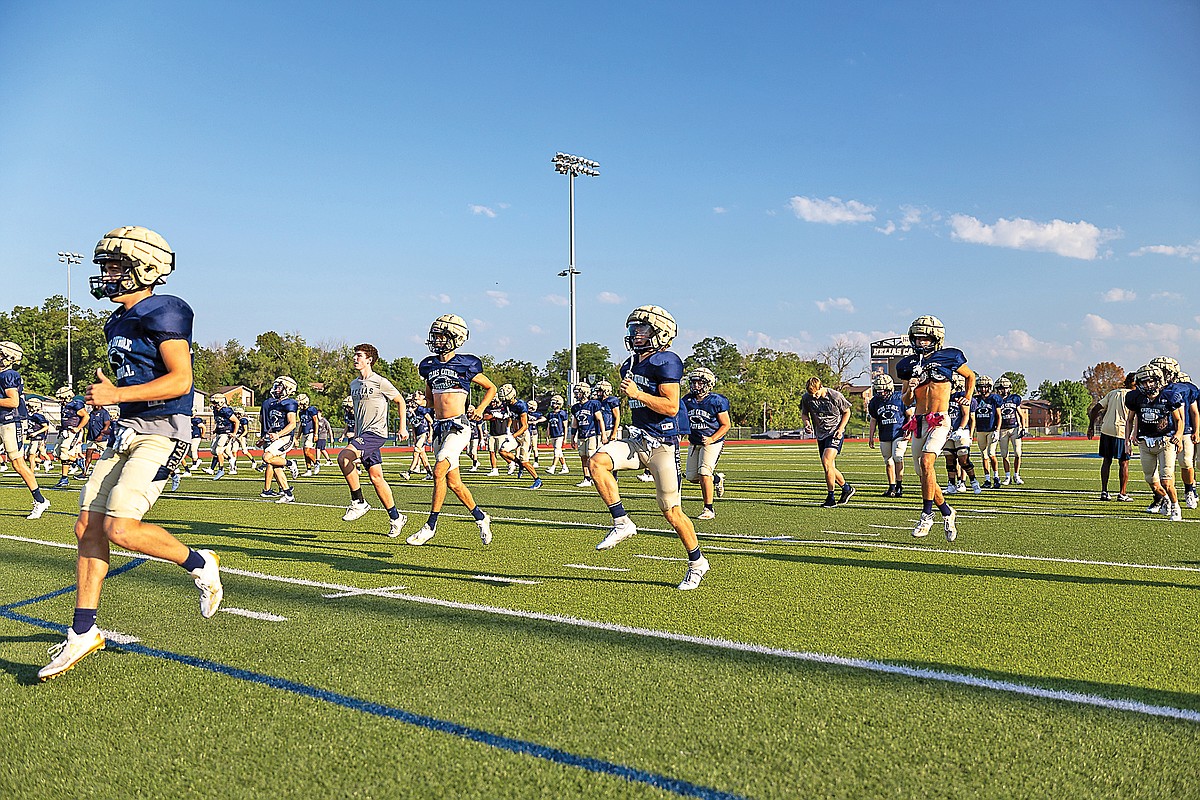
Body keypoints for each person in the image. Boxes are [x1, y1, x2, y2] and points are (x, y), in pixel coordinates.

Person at [38, 225, 222, 681]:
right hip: (128, 427)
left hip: (164, 429)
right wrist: (112, 396)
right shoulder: (115, 320)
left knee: (121, 528)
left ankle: (202, 564)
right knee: (87, 526)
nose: (106, 273)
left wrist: (116, 394)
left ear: (146, 267)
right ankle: (84, 631)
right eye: (106, 265)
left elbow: (181, 380)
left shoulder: (165, 308)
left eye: (115, 265)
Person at [588, 306, 709, 590]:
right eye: (633, 329)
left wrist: (638, 394)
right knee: (597, 462)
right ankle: (622, 522)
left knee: (672, 512)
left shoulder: (667, 361)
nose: (635, 334)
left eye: (642, 329)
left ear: (660, 332)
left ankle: (697, 562)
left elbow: (671, 407)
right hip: (638, 439)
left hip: (663, 446)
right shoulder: (629, 364)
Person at [406, 314, 495, 546]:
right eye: (435, 335)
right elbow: (430, 400)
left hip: (459, 425)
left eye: (441, 336)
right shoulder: (428, 365)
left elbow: (490, 388)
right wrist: (416, 401)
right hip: (439, 428)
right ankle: (481, 517)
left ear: (455, 337)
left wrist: (481, 408)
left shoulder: (466, 364)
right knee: (453, 482)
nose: (436, 340)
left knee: (438, 470)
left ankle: (430, 525)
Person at [896, 315, 975, 541]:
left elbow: (970, 376)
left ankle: (926, 515)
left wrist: (968, 397)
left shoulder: (950, 356)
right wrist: (911, 388)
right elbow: (906, 401)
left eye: (926, 337)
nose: (921, 342)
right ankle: (947, 512)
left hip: (940, 419)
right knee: (924, 475)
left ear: (936, 338)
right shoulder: (908, 364)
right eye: (918, 338)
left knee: (927, 462)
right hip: (919, 421)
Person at [338, 344, 409, 537]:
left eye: (359, 356)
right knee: (376, 478)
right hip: (362, 435)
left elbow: (400, 401)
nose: (355, 358)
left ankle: (358, 501)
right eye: (354, 355)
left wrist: (402, 427)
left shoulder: (380, 382)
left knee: (344, 457)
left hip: (375, 433)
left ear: (369, 359)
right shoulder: (354, 384)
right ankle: (396, 517)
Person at [1125, 363, 1184, 521]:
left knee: (1166, 480)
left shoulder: (1168, 396)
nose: (1148, 385)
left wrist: (1178, 435)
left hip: (1165, 441)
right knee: (1151, 480)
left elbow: (1179, 420)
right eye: (1144, 382)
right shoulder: (1135, 397)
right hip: (1145, 442)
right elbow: (1130, 419)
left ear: (1158, 380)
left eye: (1151, 381)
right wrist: (1127, 441)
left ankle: (1175, 506)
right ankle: (1164, 499)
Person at [0, 341, 51, 519]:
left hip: (10, 421)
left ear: (8, 357)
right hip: (3, 420)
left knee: (18, 464)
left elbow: (12, 402)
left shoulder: (8, 374)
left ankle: (40, 500)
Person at [682, 367, 731, 519]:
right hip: (695, 442)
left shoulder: (716, 401)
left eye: (699, 383)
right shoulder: (687, 400)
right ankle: (716, 479)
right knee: (692, 477)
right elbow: (684, 421)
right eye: (693, 382)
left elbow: (726, 425)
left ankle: (708, 509)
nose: (695, 386)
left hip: (712, 441)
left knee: (704, 473)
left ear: (708, 384)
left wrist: (712, 438)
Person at [1152, 357, 1200, 510]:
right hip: (1164, 433)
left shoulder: (1185, 388)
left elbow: (1194, 412)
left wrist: (1196, 430)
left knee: (1186, 462)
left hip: (1184, 430)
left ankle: (1189, 491)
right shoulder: (1153, 389)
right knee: (1166, 469)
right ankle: (1165, 499)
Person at [800, 376, 854, 508]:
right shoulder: (807, 398)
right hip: (821, 434)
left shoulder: (835, 396)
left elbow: (847, 412)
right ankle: (846, 488)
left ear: (821, 387)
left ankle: (831, 497)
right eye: (812, 395)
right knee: (829, 467)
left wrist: (841, 429)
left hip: (835, 433)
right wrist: (807, 424)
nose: (815, 397)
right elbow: (804, 413)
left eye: (816, 394)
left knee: (826, 461)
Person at [1088, 372, 1135, 501]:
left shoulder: (1113, 393)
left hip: (1106, 429)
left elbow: (1095, 409)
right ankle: (1122, 494)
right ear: (1134, 383)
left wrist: (1091, 426)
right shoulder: (1134, 395)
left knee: (1107, 460)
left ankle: (1104, 491)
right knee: (1124, 462)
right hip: (1121, 431)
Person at [867, 372, 912, 497]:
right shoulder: (875, 401)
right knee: (888, 461)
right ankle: (891, 487)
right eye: (878, 391)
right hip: (884, 434)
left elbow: (909, 416)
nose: (880, 393)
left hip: (899, 432)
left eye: (883, 391)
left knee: (898, 456)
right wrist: (871, 437)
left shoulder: (900, 398)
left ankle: (899, 486)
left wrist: (908, 430)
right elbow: (873, 419)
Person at [259, 376, 300, 502]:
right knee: (276, 466)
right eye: (276, 386)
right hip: (274, 437)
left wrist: (278, 435)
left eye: (279, 386)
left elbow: (292, 424)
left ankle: (291, 463)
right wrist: (264, 438)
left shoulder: (290, 403)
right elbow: (271, 423)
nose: (276, 389)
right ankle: (288, 494)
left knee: (267, 457)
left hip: (285, 437)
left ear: (287, 388)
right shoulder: (272, 403)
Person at [494, 383, 542, 488]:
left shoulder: (521, 405)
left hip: (523, 435)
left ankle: (537, 479)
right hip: (514, 434)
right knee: (502, 451)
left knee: (525, 461)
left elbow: (524, 426)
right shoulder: (508, 405)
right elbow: (510, 417)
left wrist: (513, 436)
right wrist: (508, 429)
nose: (505, 401)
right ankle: (518, 463)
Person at [942, 373, 981, 494]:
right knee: (949, 459)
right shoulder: (944, 396)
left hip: (961, 431)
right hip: (947, 431)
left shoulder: (962, 396)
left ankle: (974, 482)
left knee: (963, 459)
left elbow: (966, 415)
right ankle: (951, 484)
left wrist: (960, 428)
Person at [52, 385, 89, 488]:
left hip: (72, 432)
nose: (60, 400)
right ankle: (68, 473)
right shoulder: (64, 406)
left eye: (61, 397)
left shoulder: (75, 404)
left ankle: (68, 473)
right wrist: (61, 426)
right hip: (64, 431)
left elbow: (86, 416)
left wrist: (78, 428)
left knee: (64, 452)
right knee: (57, 453)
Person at [569, 382, 605, 487]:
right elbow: (574, 424)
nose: (576, 394)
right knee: (583, 457)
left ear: (584, 392)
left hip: (592, 434)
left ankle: (595, 477)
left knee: (591, 456)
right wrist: (572, 438)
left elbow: (600, 419)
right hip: (581, 435)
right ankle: (587, 478)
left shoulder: (593, 404)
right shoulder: (575, 407)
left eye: (578, 392)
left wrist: (603, 434)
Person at [994, 376, 1027, 485]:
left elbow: (1021, 414)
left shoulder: (1014, 398)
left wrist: (1023, 427)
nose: (1004, 390)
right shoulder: (995, 399)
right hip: (1002, 430)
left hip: (1014, 428)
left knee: (1018, 453)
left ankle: (1016, 475)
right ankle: (1007, 476)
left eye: (1006, 388)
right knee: (1004, 454)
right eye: (1002, 388)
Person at [972, 375, 1003, 488]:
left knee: (991, 453)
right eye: (981, 387)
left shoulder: (994, 399)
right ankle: (987, 479)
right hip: (980, 430)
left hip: (991, 430)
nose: (983, 389)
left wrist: (997, 430)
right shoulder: (976, 399)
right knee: (984, 455)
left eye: (985, 387)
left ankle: (996, 476)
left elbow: (999, 416)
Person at [402, 392, 434, 480]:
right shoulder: (409, 414)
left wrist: (430, 435)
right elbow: (413, 426)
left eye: (410, 402)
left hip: (424, 433)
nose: (409, 404)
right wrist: (414, 437)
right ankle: (429, 473)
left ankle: (408, 473)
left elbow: (430, 421)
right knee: (422, 455)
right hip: (418, 434)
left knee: (416, 452)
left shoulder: (421, 409)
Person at [209, 393, 239, 479]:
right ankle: (230, 458)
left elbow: (236, 421)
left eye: (215, 402)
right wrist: (215, 429)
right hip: (219, 433)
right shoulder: (215, 410)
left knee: (219, 451)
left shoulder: (226, 410)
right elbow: (219, 421)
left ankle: (221, 470)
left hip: (226, 433)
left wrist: (234, 433)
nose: (213, 404)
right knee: (213, 451)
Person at [81, 399, 112, 478]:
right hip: (91, 437)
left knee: (106, 455)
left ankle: (108, 472)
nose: (94, 406)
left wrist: (101, 435)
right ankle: (84, 472)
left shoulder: (104, 413)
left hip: (102, 439)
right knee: (88, 454)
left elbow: (107, 425)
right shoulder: (91, 413)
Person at [24, 397, 53, 473]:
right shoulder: (31, 415)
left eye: (29, 406)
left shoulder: (38, 416)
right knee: (27, 457)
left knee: (31, 457)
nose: (28, 407)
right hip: (33, 438)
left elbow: (46, 427)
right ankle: (44, 462)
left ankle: (31, 474)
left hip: (37, 438)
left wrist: (36, 433)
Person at [296, 393, 322, 476]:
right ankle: (309, 470)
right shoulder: (301, 412)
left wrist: (316, 434)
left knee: (307, 452)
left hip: (311, 432)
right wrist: (298, 436)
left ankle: (316, 463)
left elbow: (316, 422)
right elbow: (301, 424)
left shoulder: (311, 410)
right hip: (304, 433)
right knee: (305, 453)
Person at [544, 394, 569, 474]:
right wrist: (547, 437)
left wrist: (565, 438)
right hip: (553, 435)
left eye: (554, 403)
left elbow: (565, 426)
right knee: (559, 452)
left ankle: (553, 467)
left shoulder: (562, 413)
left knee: (556, 451)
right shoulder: (550, 414)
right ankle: (565, 467)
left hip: (559, 435)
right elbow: (548, 426)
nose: (552, 404)